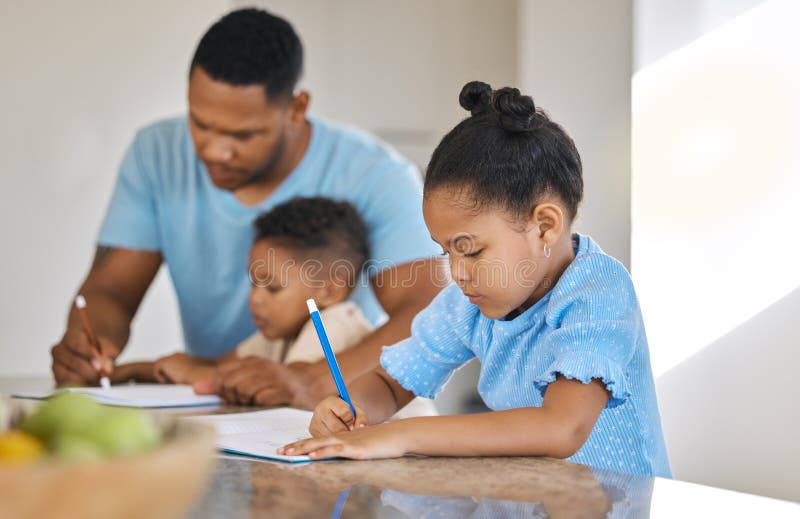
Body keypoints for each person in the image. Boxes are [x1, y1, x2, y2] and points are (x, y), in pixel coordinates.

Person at [49, 8, 442, 409]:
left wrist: (311, 381)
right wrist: (90, 344)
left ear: (296, 108)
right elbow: (111, 289)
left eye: (243, 134)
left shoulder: (376, 175)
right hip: (227, 409)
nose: (214, 151)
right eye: (200, 124)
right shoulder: (155, 154)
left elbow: (429, 312)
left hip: (337, 408)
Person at [278, 82, 672, 478]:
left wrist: (401, 435)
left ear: (545, 227)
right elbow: (390, 381)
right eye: (446, 251)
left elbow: (561, 428)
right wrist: (351, 410)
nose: (457, 272)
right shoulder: (468, 304)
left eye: (471, 250)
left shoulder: (597, 292)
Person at [146, 197, 435, 417]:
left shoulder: (335, 323)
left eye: (272, 288)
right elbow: (222, 367)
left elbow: (263, 388)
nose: (255, 299)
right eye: (253, 284)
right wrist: (130, 370)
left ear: (329, 290)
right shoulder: (277, 335)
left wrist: (187, 371)